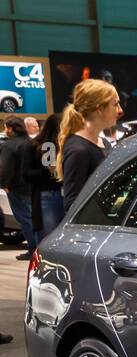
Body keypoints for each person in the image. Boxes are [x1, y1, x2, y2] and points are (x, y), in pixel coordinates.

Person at [59, 79, 121, 206]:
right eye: (115, 104)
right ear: (100, 109)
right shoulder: (78, 150)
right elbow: (72, 204)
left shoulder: (103, 143)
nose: (120, 110)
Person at [23, 114, 64, 245]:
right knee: (48, 237)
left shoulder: (66, 145)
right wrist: (48, 171)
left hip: (66, 193)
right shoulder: (37, 146)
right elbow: (27, 174)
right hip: (47, 194)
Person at [0, 116, 35, 259]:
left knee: (25, 219)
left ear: (11, 128)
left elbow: (5, 168)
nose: (4, 130)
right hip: (33, 186)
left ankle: (33, 249)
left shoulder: (9, 145)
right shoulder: (31, 142)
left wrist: (3, 185)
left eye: (5, 127)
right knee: (33, 218)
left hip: (16, 188)